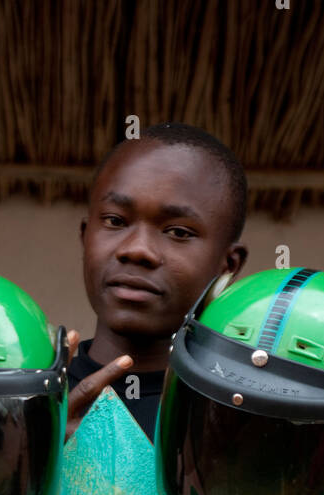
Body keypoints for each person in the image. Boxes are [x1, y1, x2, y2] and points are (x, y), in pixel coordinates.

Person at [65, 123, 249, 443]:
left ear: (228, 265)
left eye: (178, 232)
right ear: (85, 236)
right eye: (115, 221)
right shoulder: (20, 402)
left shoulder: (248, 415)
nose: (136, 249)